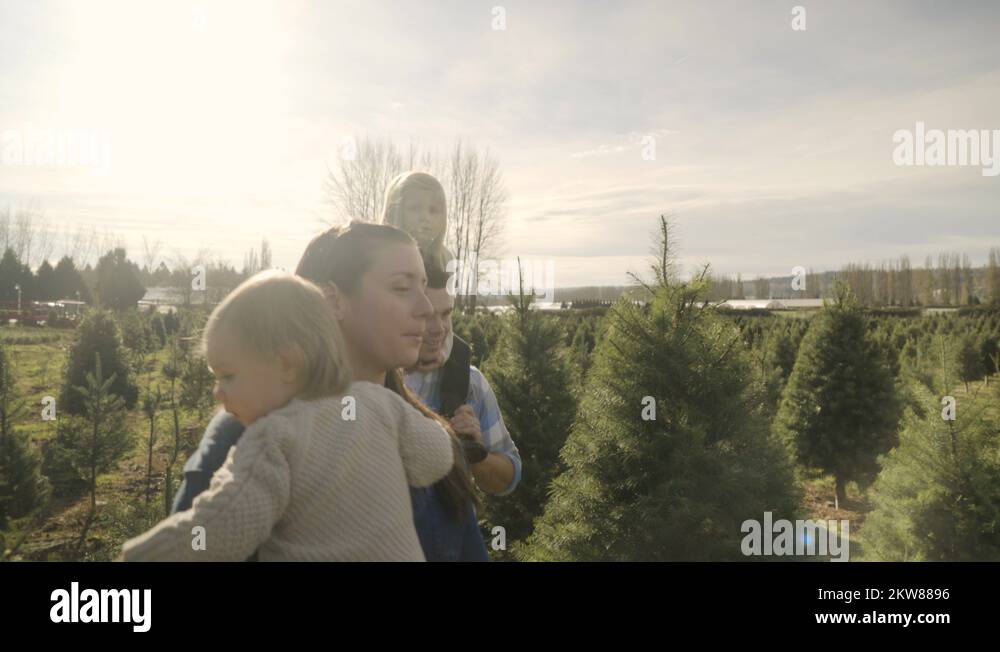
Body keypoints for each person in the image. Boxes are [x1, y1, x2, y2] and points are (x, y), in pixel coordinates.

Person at [172, 222, 487, 561]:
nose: (426, 308)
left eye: (423, 286)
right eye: (401, 287)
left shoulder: (427, 436)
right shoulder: (246, 431)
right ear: (331, 300)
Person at [121, 271, 454, 561]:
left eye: (228, 375)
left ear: (287, 364)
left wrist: (136, 557)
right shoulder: (380, 403)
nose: (217, 392)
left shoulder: (275, 438)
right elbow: (437, 458)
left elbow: (219, 530)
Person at [405, 254, 521, 497]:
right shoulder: (367, 378)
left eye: (446, 314)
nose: (439, 328)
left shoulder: (469, 382)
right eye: (426, 316)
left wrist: (474, 453)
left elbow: (507, 479)